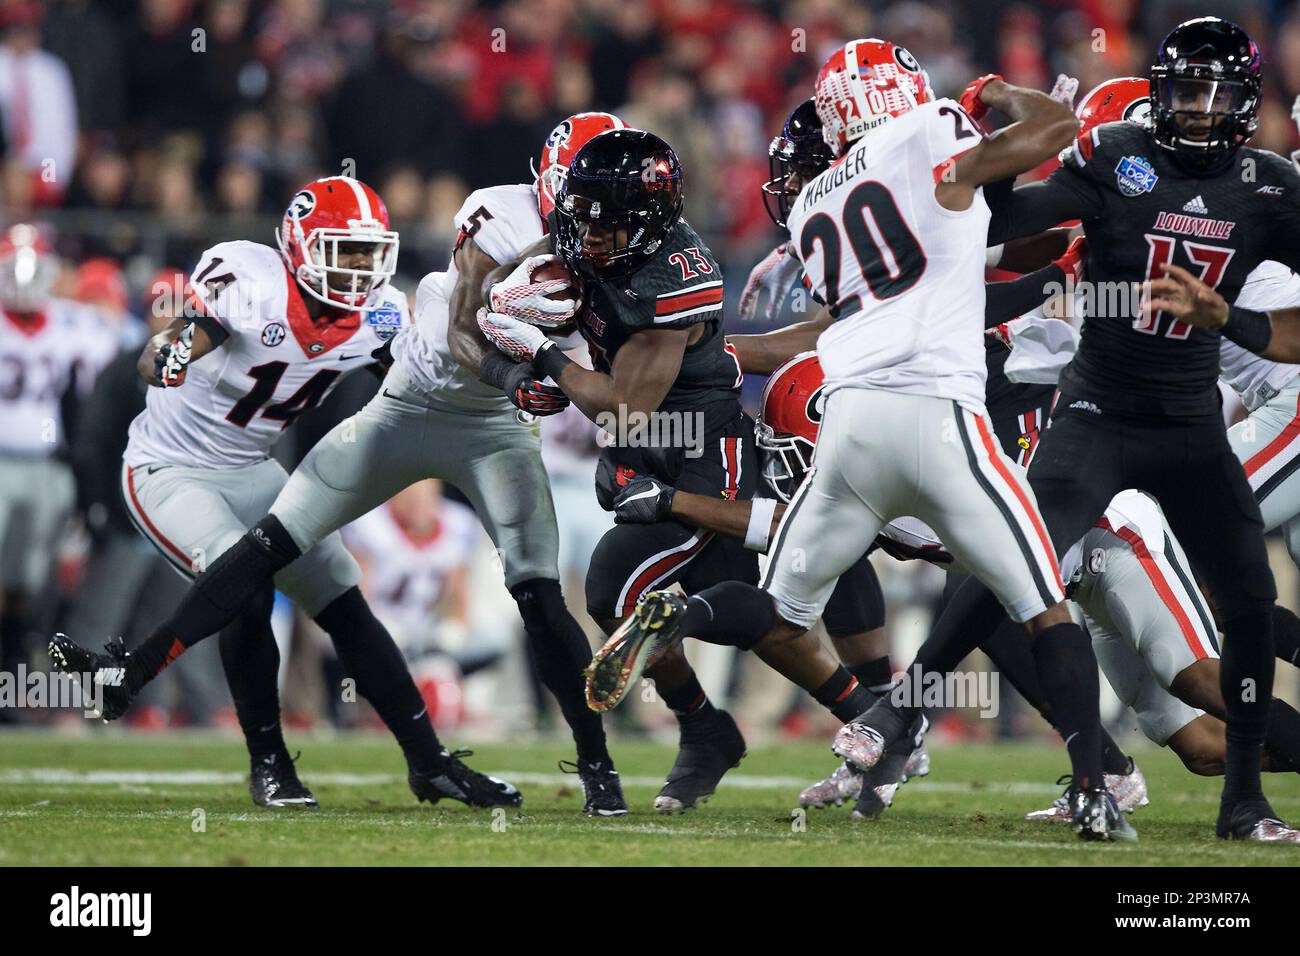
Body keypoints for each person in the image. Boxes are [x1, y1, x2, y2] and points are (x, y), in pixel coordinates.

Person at [923, 17, 1300, 842]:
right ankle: (892, 717)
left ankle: (1246, 801)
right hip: (1098, 413)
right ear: (1156, 94)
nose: (1199, 111)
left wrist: (1229, 316)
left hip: (1195, 423)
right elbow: (1002, 222)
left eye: (1215, 95)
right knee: (1011, 556)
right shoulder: (1115, 157)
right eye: (1185, 92)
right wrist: (997, 151)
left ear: (1244, 104)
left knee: (1246, 604)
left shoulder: (1270, 186)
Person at [49, 176, 522, 811]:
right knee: (242, 590)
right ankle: (269, 763)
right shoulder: (247, 277)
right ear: (298, 245)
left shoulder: (380, 313)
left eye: (367, 252)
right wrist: (167, 353)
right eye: (343, 250)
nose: (359, 269)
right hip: (170, 470)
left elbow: (422, 393)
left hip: (255, 468)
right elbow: (179, 341)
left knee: (345, 602)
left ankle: (430, 762)